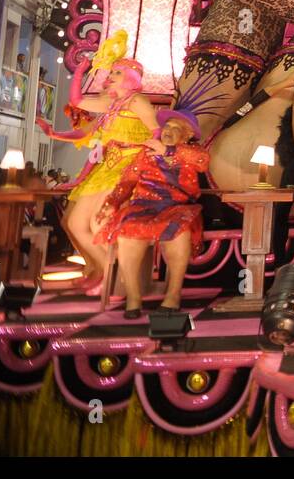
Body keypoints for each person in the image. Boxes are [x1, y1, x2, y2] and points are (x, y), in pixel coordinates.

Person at [42, 43, 160, 285]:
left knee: (98, 225)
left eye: (117, 72)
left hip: (126, 169)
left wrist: (146, 156)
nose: (110, 76)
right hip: (105, 168)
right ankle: (104, 272)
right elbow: (76, 100)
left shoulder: (138, 102)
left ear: (130, 77)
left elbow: (156, 132)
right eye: (112, 72)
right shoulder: (111, 105)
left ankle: (109, 277)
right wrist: (80, 71)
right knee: (74, 224)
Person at [93, 110, 210, 318]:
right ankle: (133, 297)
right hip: (144, 206)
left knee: (179, 230)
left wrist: (168, 151)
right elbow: (127, 182)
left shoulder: (191, 152)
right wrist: (112, 203)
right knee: (128, 231)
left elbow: (202, 161)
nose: (168, 131)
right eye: (167, 126)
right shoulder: (145, 153)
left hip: (177, 206)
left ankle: (173, 296)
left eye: (176, 128)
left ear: (187, 135)